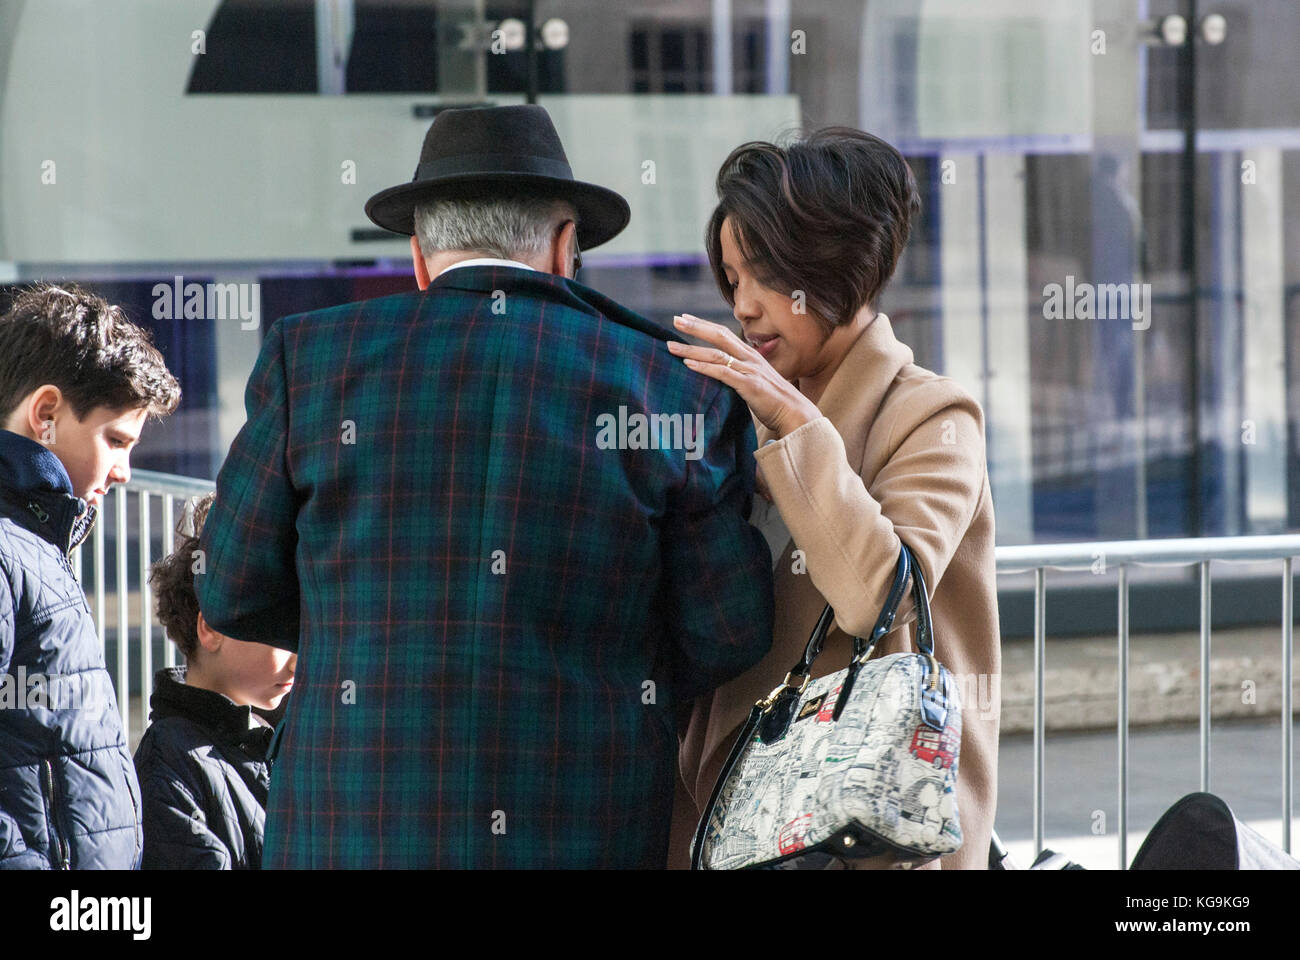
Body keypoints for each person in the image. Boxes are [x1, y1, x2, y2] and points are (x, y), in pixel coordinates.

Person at [195, 104, 774, 868]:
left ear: (419, 256)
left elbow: (231, 586)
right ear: (567, 246)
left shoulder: (310, 360)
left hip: (351, 825)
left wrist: (369, 631)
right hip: (583, 827)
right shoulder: (669, 387)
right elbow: (726, 630)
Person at [666, 129, 1000, 869]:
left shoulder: (932, 417)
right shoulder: (739, 416)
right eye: (730, 278)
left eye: (763, 275)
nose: (745, 307)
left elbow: (880, 595)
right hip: (734, 825)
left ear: (834, 266)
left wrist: (796, 428)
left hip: (870, 838)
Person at [0, 283, 180, 869]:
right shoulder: (10, 549)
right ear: (46, 413)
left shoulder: (36, 545)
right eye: (117, 440)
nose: (125, 472)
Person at [134, 492, 296, 869]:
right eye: (280, 638)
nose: (295, 664)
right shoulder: (170, 760)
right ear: (211, 628)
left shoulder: (278, 737)